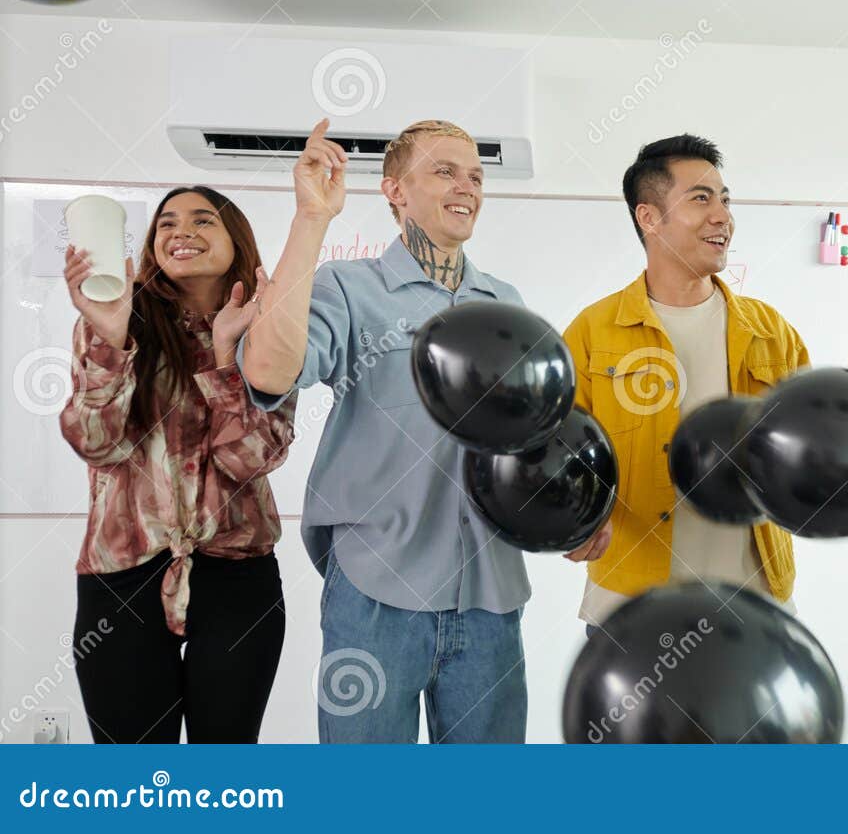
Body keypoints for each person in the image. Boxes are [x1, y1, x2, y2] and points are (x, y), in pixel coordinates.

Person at [241, 118, 557, 743]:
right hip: (376, 596)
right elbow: (270, 370)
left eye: (474, 174)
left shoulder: (506, 304)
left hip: (491, 598)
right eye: (444, 170)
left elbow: (535, 436)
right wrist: (312, 219)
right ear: (395, 191)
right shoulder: (347, 288)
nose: (466, 185)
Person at [60, 186, 293, 743]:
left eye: (201, 220)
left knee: (223, 777)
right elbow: (96, 444)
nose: (180, 231)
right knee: (134, 783)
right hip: (122, 577)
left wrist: (222, 356)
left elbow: (252, 456)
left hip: (237, 578)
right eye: (166, 223)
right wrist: (110, 338)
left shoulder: (268, 332)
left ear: (235, 239)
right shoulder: (113, 322)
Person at [563, 135, 809, 636]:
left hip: (752, 603)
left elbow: (807, 447)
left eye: (725, 198)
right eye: (701, 198)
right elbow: (561, 455)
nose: (722, 216)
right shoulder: (594, 330)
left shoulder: (770, 330)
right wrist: (571, 523)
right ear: (649, 217)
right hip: (629, 606)